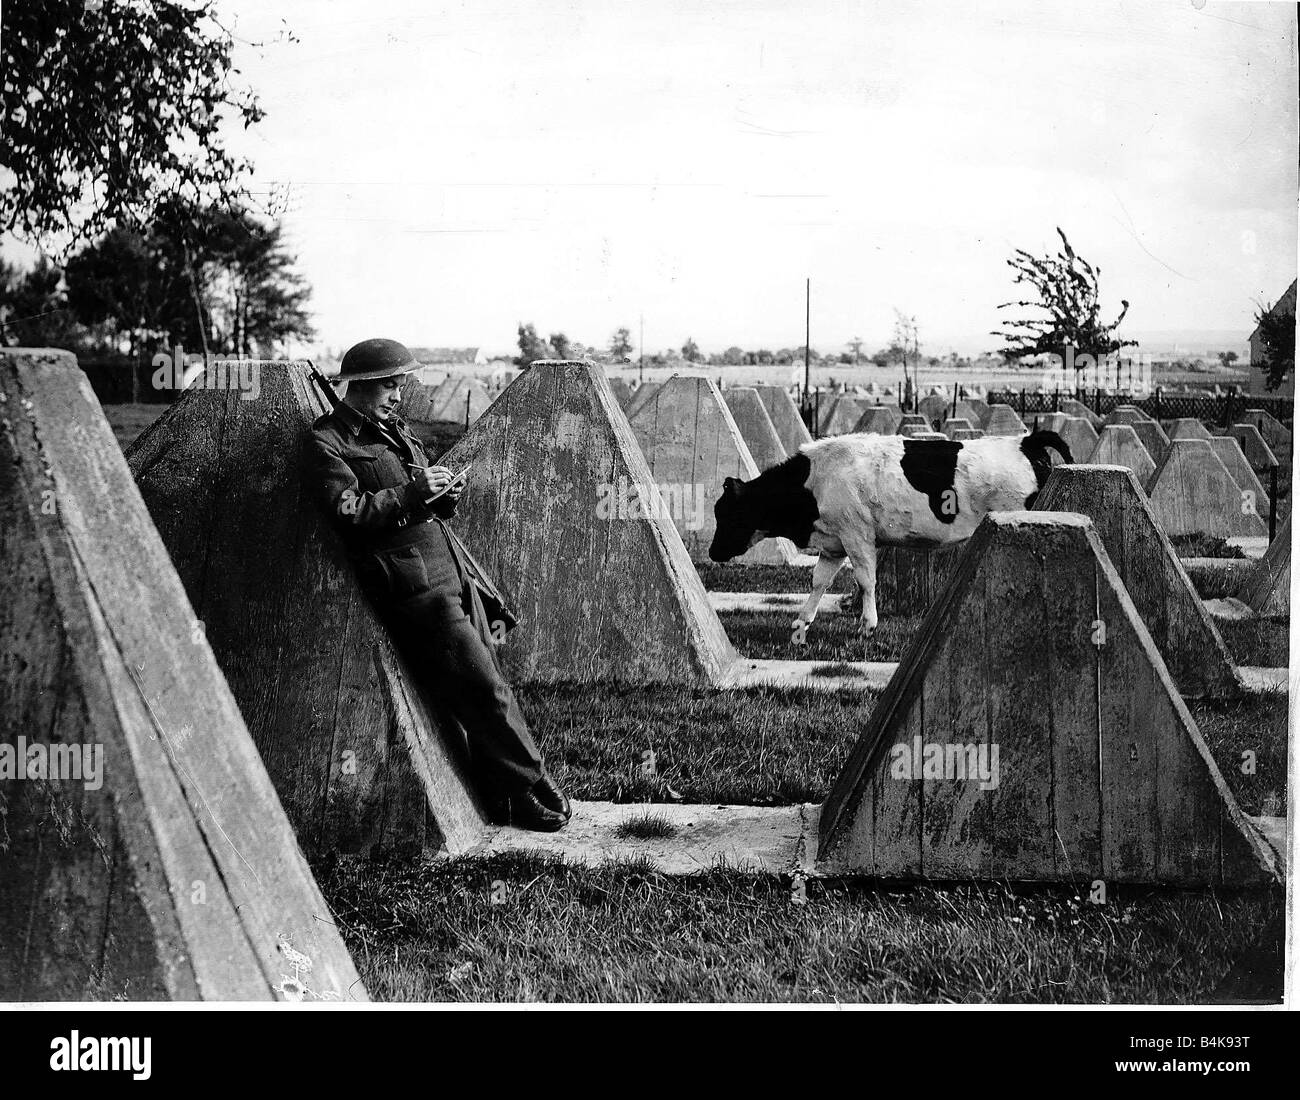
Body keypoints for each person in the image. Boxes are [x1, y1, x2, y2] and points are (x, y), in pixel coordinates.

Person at [306, 337, 570, 832]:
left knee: (485, 676)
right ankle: (528, 781)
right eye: (388, 384)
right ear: (358, 386)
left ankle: (500, 794)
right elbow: (349, 513)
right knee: (482, 685)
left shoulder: (394, 429)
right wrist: (410, 493)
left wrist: (442, 495)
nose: (397, 394)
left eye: (399, 384)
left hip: (449, 565)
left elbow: (420, 497)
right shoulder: (328, 442)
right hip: (410, 583)